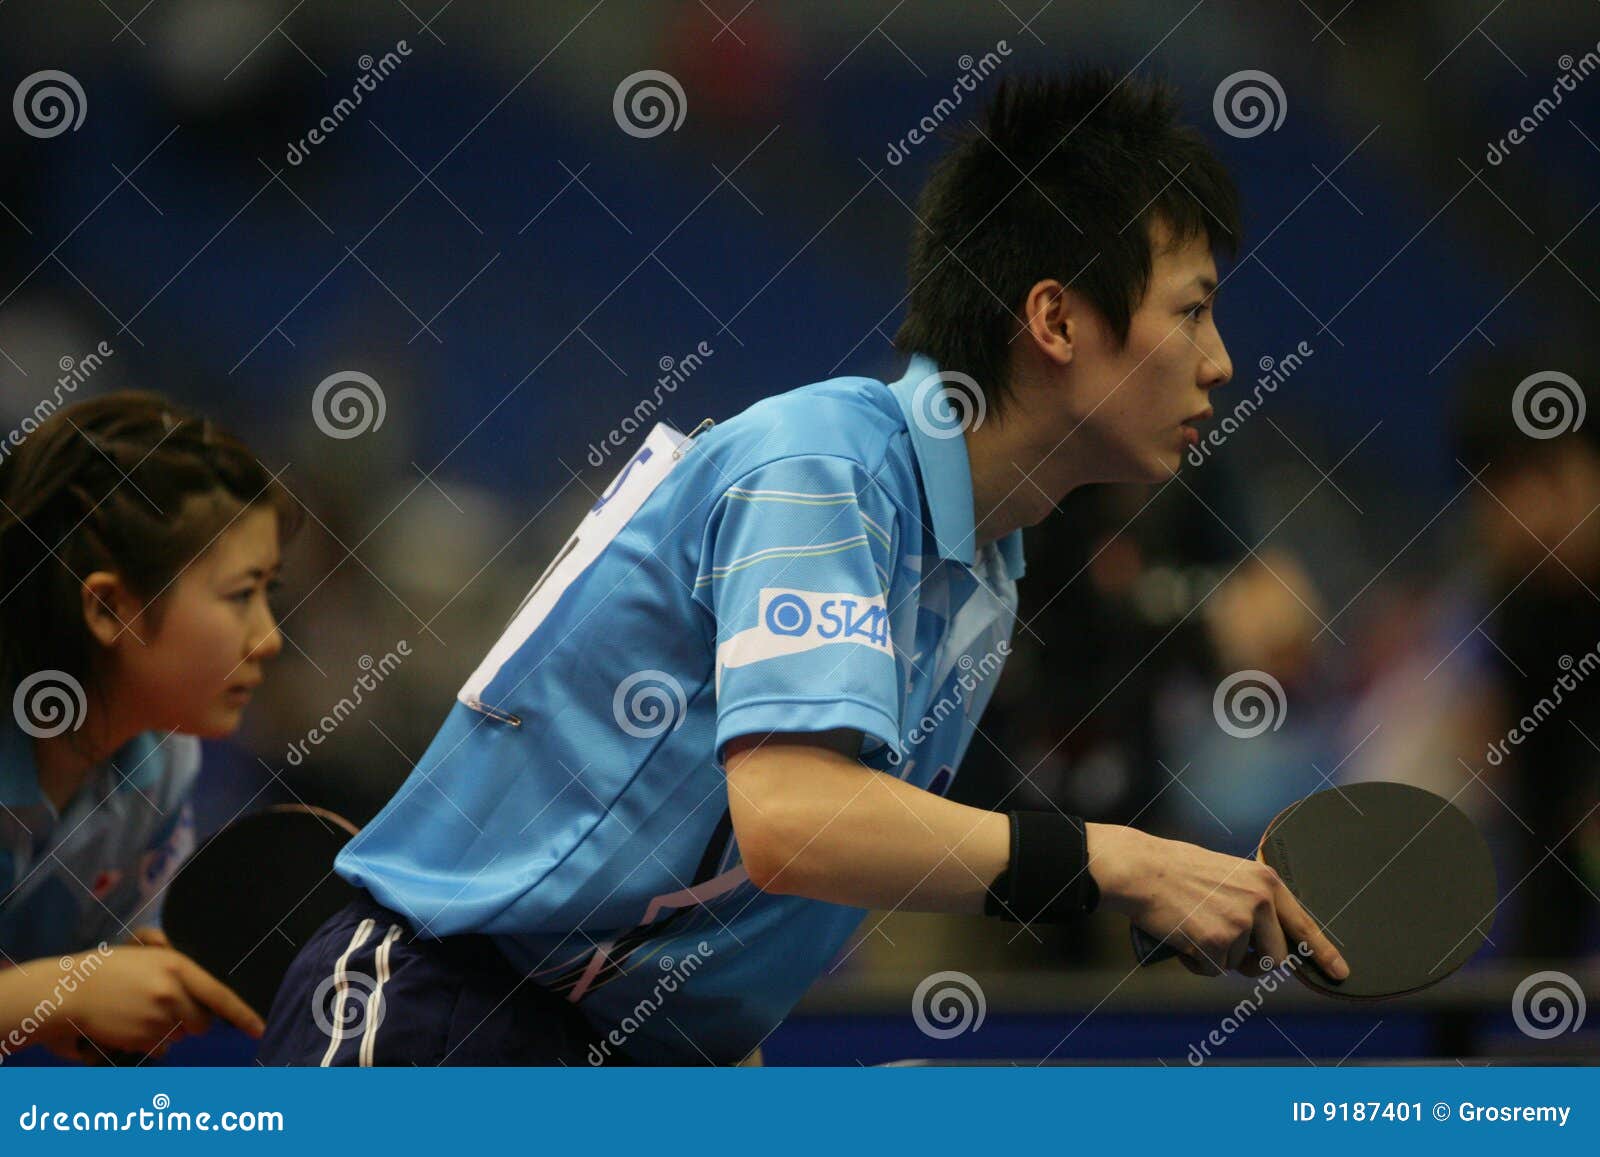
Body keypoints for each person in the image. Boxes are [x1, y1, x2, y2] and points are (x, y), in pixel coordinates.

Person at [259, 68, 1348, 1068]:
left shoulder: (985, 567)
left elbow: (782, 870)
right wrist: (1129, 863)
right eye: (1192, 308)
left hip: (628, 1059)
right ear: (1056, 317)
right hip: (439, 1015)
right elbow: (794, 818)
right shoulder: (823, 461)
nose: (1221, 360)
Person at [0, 392, 291, 1062]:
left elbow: (90, 1027)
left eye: (268, 593)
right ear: (109, 608)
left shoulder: (163, 766)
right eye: (241, 594)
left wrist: (122, 996)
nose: (269, 640)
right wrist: (65, 992)